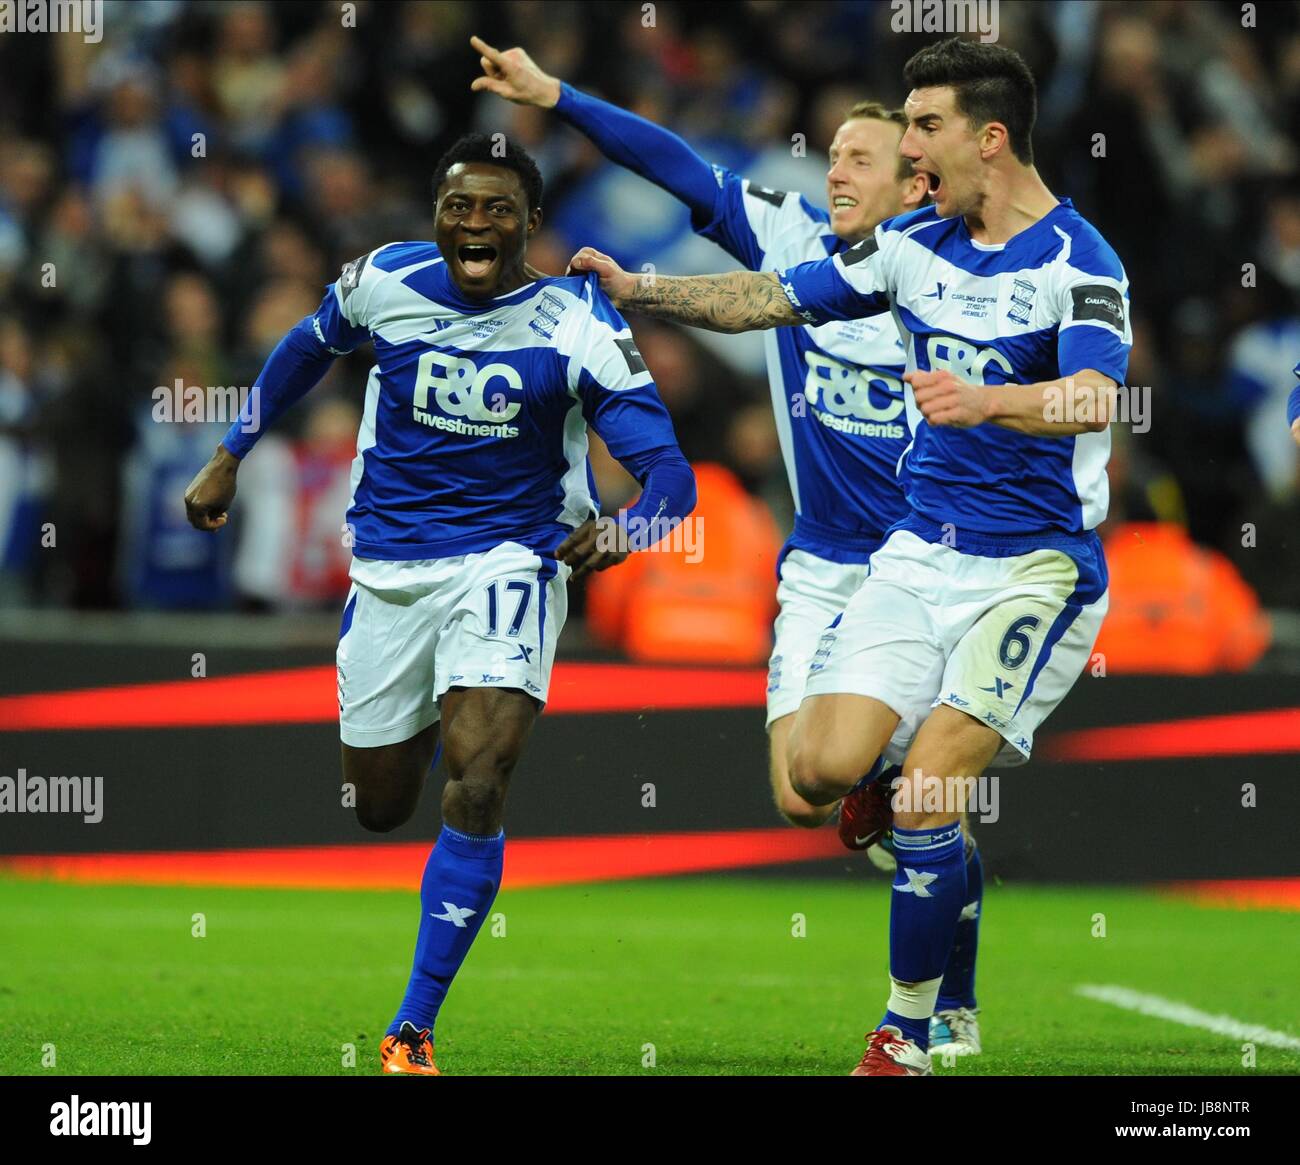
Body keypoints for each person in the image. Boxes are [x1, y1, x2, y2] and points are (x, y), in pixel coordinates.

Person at [568, 37, 1131, 1076]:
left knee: (925, 789)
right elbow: (770, 298)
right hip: (913, 557)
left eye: (925, 128)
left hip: (1033, 567)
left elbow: (1097, 395)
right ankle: (920, 868)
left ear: (987, 139)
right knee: (817, 772)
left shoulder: (1078, 261)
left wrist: (996, 400)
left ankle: (910, 1028)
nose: (910, 149)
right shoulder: (911, 243)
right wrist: (640, 289)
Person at [471, 36, 986, 1058]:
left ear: (914, 183)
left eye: (859, 157)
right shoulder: (791, 240)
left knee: (918, 797)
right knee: (800, 796)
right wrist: (554, 94)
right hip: (820, 563)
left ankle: (938, 1006)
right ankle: (910, 823)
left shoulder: (955, 280)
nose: (833, 168)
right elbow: (674, 166)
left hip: (923, 570)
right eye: (831, 152)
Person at [183, 132, 696, 1075]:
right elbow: (305, 348)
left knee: (480, 776)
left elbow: (672, 476)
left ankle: (412, 1026)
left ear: (531, 226)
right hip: (390, 567)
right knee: (379, 804)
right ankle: (434, 699)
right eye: (460, 205)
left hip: (513, 558)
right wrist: (231, 450)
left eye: (499, 209)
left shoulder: (574, 325)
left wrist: (625, 530)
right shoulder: (384, 280)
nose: (476, 224)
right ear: (436, 216)